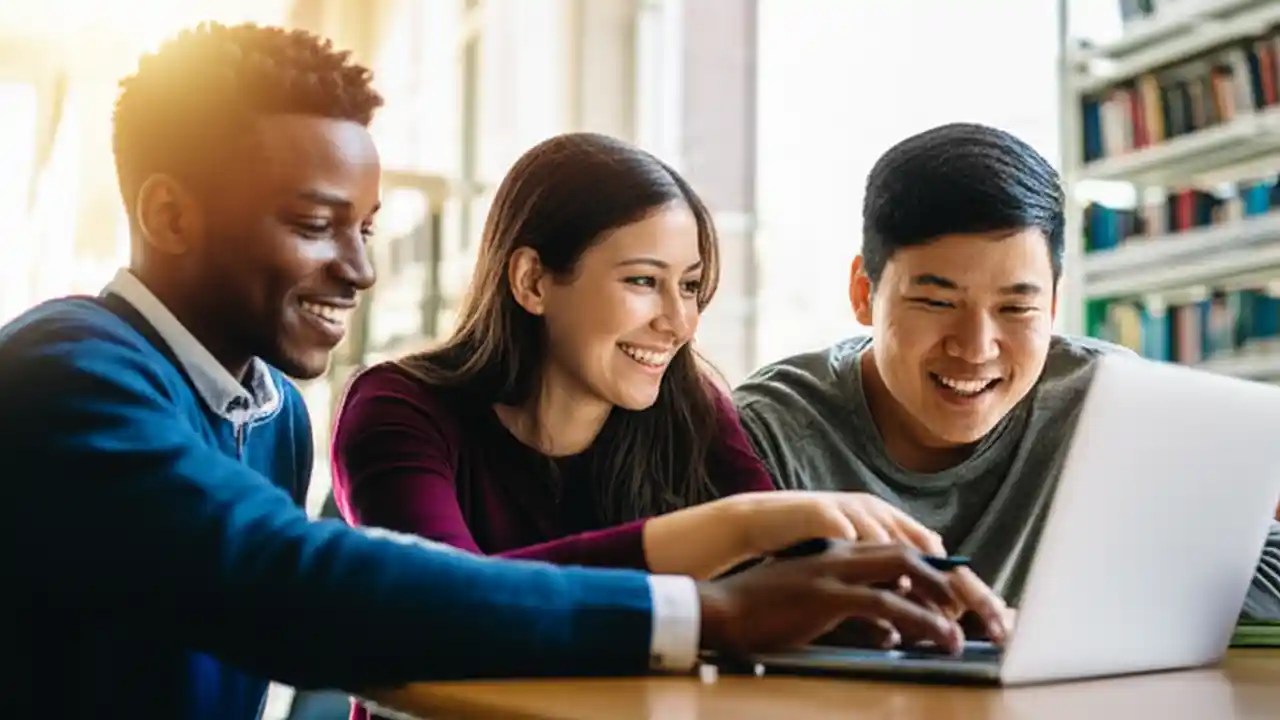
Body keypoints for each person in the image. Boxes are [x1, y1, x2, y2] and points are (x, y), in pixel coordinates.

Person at [2, 23, 974, 720]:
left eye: (365, 228)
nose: (360, 269)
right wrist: (708, 608)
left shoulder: (269, 411)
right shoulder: (67, 372)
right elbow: (288, 584)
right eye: (314, 225)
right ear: (170, 216)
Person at [330, 132, 960, 581]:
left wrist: (915, 595)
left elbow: (791, 583)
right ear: (532, 281)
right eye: (642, 281)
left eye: (689, 286)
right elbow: (447, 604)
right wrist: (738, 527)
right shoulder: (398, 409)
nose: (678, 323)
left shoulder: (691, 410)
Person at [732, 122, 1280, 620]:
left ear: (1054, 305)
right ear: (863, 292)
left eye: (1016, 308)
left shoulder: (1110, 406)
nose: (975, 348)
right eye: (937, 302)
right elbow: (712, 614)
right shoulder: (772, 429)